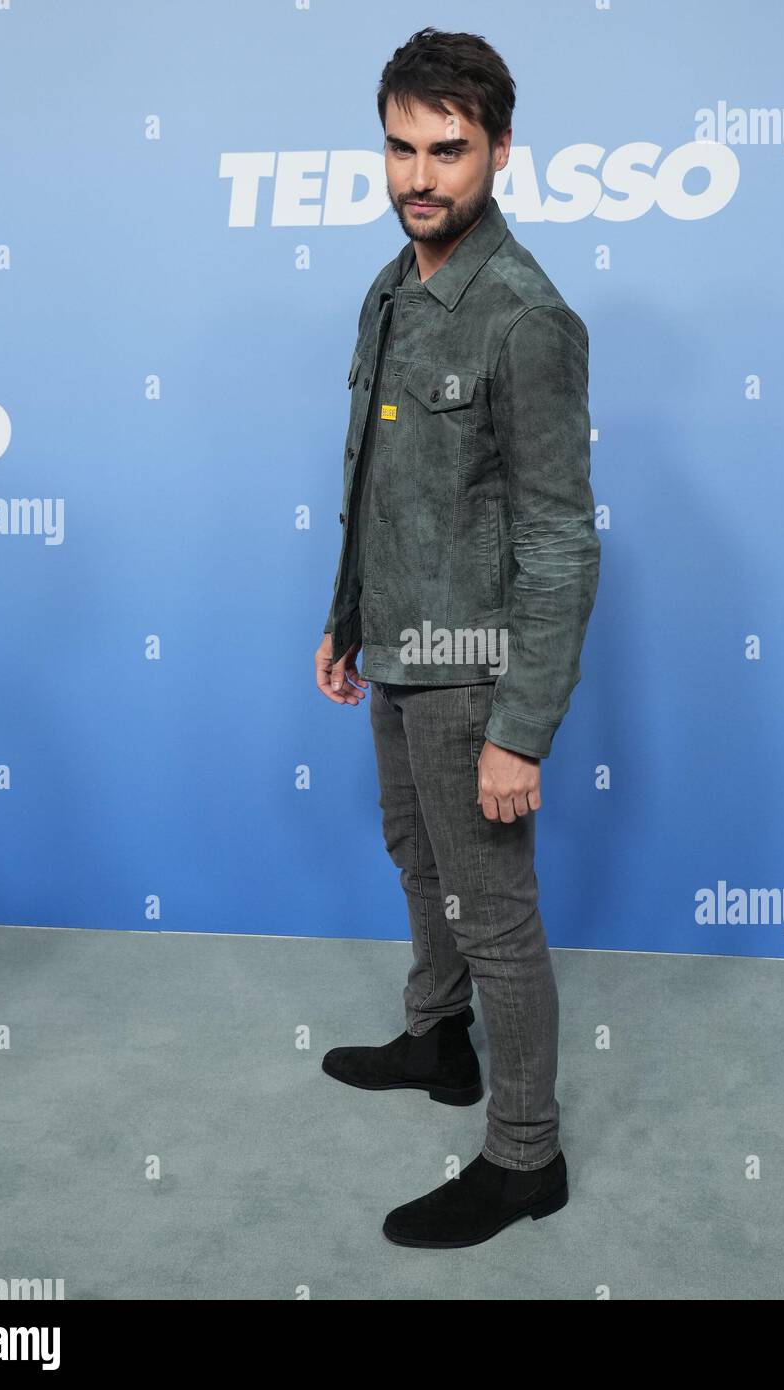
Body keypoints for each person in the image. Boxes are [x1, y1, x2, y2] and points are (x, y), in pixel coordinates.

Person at [314, 27, 600, 1250]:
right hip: (394, 646)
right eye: (399, 146)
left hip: (474, 675)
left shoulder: (524, 317)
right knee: (408, 853)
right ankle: (438, 1037)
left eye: (449, 150)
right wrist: (345, 616)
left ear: (497, 151)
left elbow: (558, 539)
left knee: (495, 911)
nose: (419, 175)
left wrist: (518, 730)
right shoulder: (393, 285)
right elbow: (379, 477)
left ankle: (525, 1157)